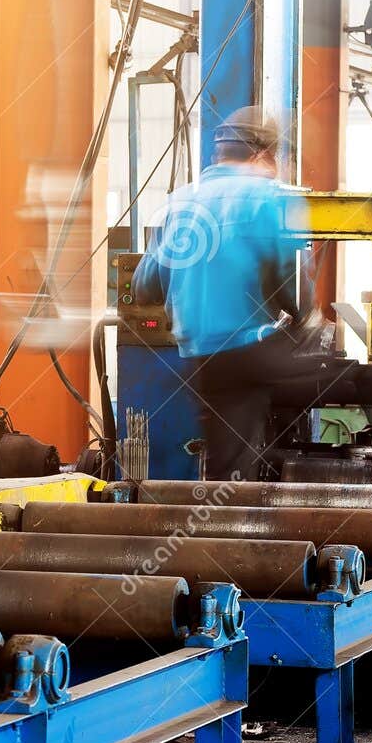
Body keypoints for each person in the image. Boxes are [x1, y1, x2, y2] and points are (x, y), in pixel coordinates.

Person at [134, 107, 329, 480]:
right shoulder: (271, 199)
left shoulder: (179, 202)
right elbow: (292, 292)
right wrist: (311, 321)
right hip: (252, 350)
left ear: (217, 154)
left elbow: (145, 288)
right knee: (352, 383)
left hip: (201, 359)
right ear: (263, 154)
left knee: (230, 459)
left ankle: (238, 501)